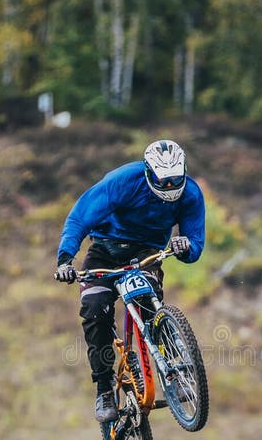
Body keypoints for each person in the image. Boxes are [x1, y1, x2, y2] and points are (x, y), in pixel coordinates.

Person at [56, 139, 206, 421]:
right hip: (105, 249)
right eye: (165, 181)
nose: (171, 187)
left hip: (146, 252)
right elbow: (80, 218)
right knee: (94, 309)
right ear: (149, 173)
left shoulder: (191, 194)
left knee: (148, 301)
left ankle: (174, 370)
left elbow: (195, 243)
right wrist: (65, 259)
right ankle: (103, 388)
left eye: (177, 179)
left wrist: (185, 246)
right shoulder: (123, 181)